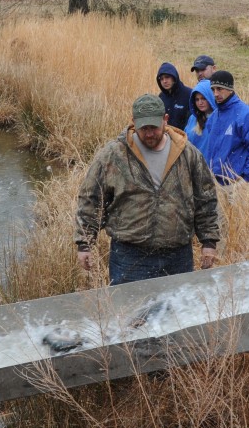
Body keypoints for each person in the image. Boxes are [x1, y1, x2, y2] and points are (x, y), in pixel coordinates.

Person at [75, 94, 220, 284]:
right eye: (144, 128)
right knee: (130, 313)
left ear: (165, 120)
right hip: (129, 257)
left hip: (177, 257)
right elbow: (91, 198)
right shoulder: (113, 155)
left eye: (154, 127)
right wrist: (85, 243)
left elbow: (206, 198)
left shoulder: (187, 153)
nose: (149, 133)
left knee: (175, 313)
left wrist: (208, 242)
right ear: (133, 122)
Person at [199, 71, 249, 184]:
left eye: (220, 89)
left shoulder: (247, 115)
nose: (216, 93)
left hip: (238, 184)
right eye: (213, 89)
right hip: (217, 184)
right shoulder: (213, 117)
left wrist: (246, 178)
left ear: (230, 89)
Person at [155, 61, 193, 130]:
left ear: (174, 78)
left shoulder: (189, 94)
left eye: (167, 77)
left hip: (184, 137)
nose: (164, 81)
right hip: (166, 136)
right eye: (162, 79)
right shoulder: (161, 97)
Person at [186, 79, 215, 153]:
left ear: (211, 97)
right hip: (194, 161)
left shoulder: (219, 119)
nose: (200, 103)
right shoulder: (192, 118)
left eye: (203, 98)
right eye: (197, 99)